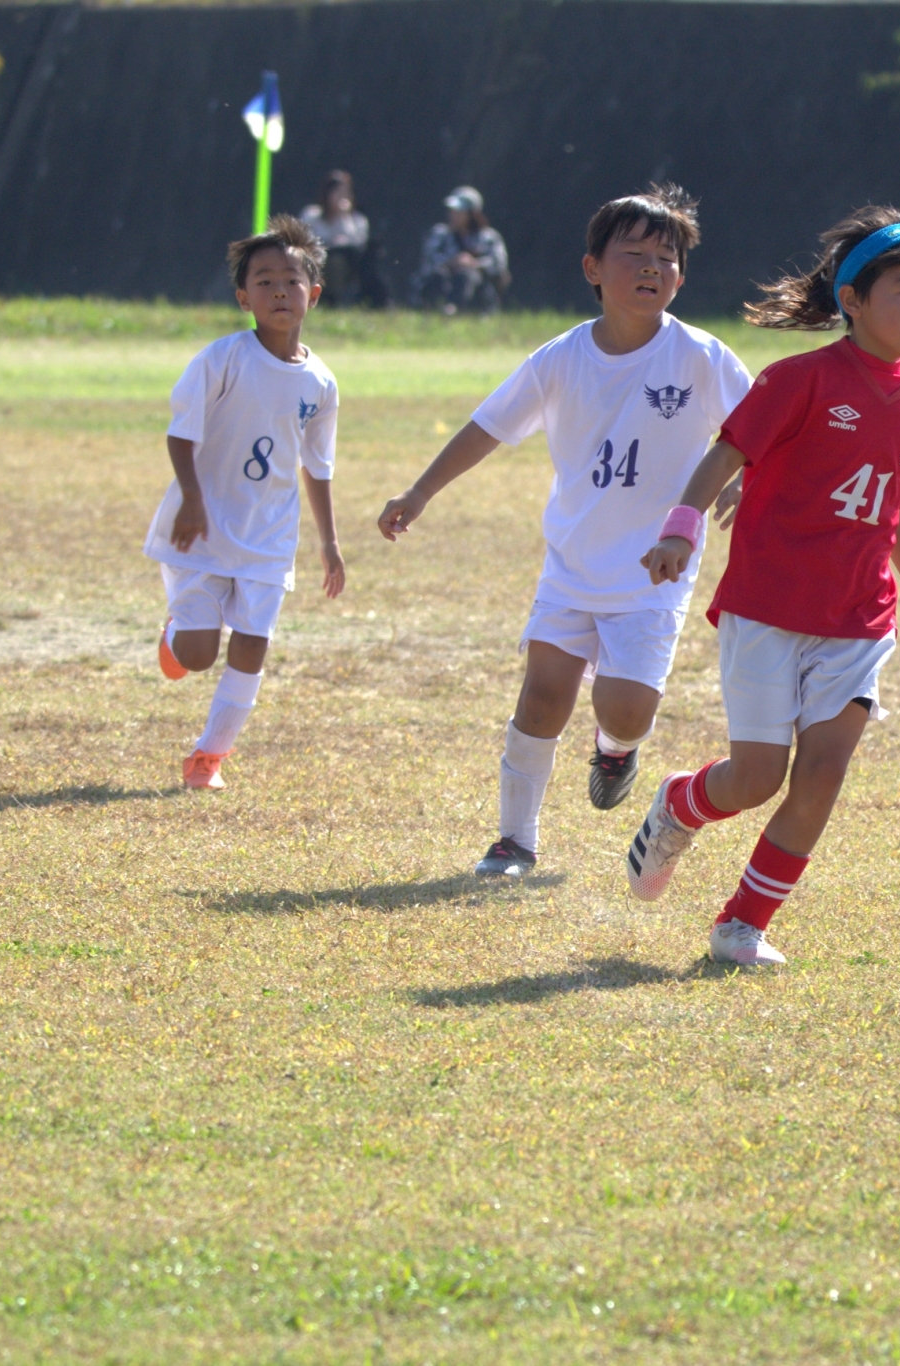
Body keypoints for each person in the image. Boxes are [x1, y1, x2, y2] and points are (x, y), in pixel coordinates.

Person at [622, 207, 900, 968]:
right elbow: (725, 457)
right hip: (769, 609)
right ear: (852, 299)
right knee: (754, 778)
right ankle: (680, 804)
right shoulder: (798, 381)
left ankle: (742, 923)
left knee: (821, 775)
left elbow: (895, 508)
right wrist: (681, 526)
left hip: (858, 619)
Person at [376, 185, 750, 877]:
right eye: (632, 255)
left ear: (682, 276)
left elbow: (758, 430)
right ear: (592, 270)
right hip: (573, 564)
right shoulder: (560, 358)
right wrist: (421, 489)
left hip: (654, 571)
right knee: (543, 696)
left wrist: (741, 477)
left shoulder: (701, 356)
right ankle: (513, 841)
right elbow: (488, 426)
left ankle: (616, 748)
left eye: (665, 258)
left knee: (629, 708)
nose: (650, 269)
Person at [148, 215, 344, 790]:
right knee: (200, 653)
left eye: (291, 279)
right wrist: (190, 499)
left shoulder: (322, 383)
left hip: (269, 536)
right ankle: (175, 634)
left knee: (253, 648)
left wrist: (329, 542)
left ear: (314, 292)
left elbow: (318, 464)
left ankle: (207, 758)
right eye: (264, 281)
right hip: (202, 528)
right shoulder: (223, 359)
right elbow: (182, 433)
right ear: (243, 298)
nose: (279, 291)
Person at [411, 186, 508, 314]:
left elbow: (499, 264)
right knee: (438, 276)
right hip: (443, 285)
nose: (453, 215)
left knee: (465, 276)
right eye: (452, 211)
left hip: (477, 295)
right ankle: (436, 309)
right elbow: (429, 258)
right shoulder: (440, 235)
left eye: (459, 212)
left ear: (472, 214)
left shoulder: (488, 238)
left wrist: (474, 264)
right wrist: (452, 262)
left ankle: (456, 309)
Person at [299, 170, 382, 308]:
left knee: (339, 263)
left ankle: (336, 300)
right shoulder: (311, 216)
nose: (342, 198)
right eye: (338, 193)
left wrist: (343, 218)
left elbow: (358, 244)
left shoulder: (357, 220)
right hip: (315, 262)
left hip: (347, 265)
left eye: (346, 193)